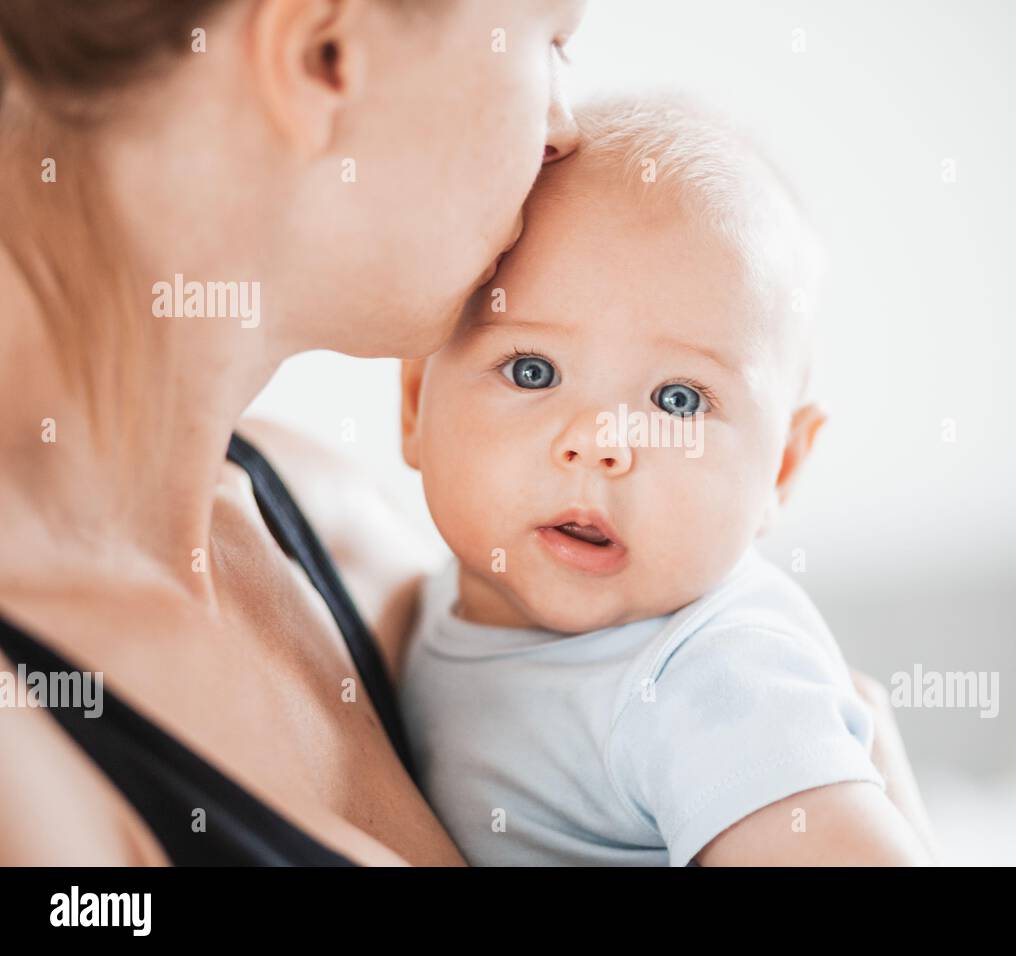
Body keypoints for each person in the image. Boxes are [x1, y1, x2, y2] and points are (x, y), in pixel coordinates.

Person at [0, 0, 932, 865]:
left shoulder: (354, 535)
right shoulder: (29, 773)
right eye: (548, 41)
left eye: (679, 399)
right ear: (324, 54)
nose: (563, 127)